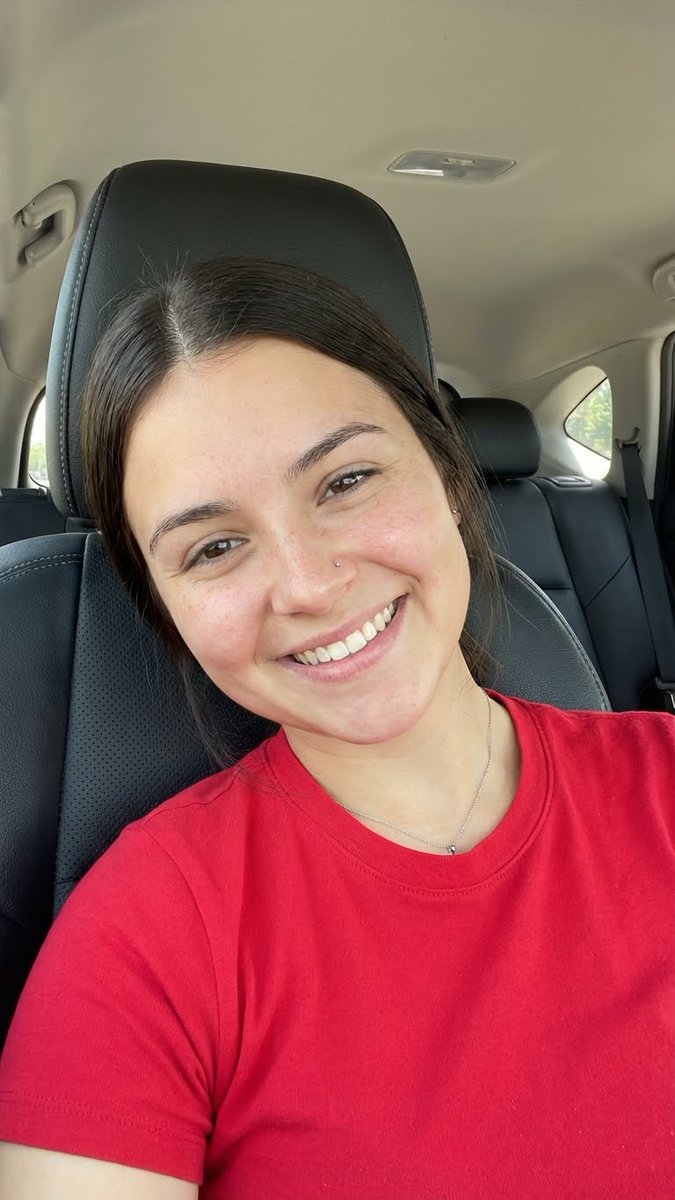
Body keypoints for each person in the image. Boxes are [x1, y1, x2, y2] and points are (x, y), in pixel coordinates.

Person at [0, 259, 672, 1200]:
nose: (309, 585)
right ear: (165, 608)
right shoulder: (141, 941)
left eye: (346, 479)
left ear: (444, 471)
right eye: (215, 547)